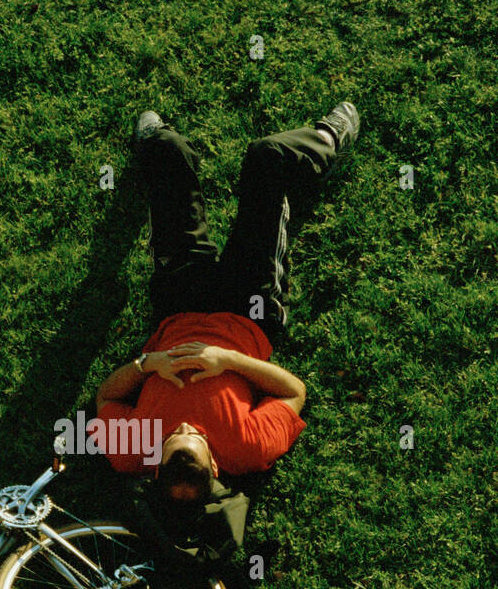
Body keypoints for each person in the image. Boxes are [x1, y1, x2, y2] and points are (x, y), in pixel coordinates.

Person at [94, 103, 360, 505]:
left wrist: (148, 365)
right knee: (266, 157)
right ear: (216, 467)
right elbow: (294, 392)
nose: (184, 426)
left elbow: (107, 399)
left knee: (167, 151)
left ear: (155, 464)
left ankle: (155, 144)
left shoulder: (132, 451)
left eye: (172, 437)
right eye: (194, 436)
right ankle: (327, 141)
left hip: (178, 309)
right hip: (247, 312)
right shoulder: (247, 450)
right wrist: (227, 360)